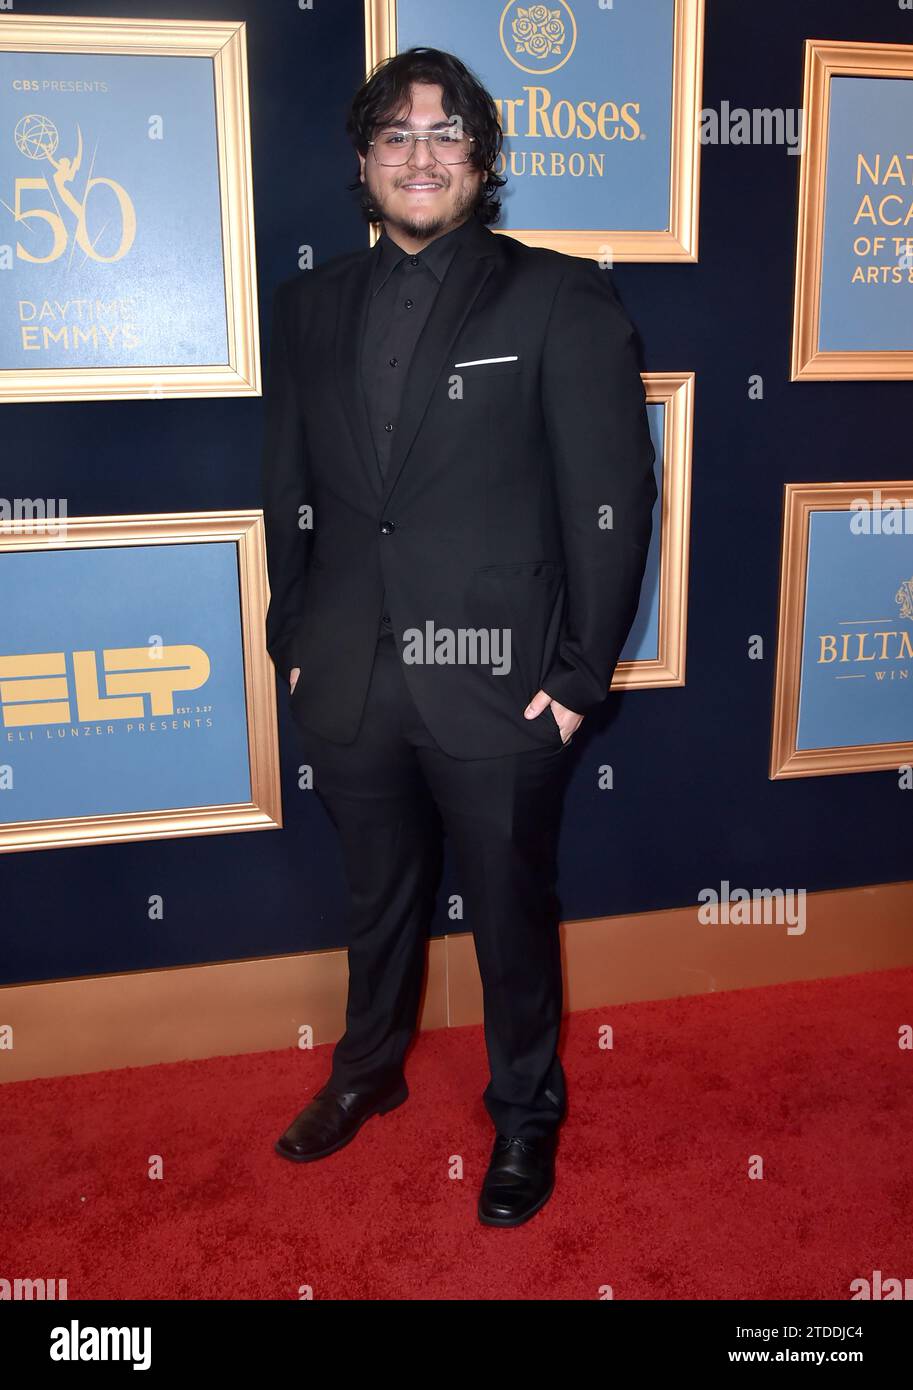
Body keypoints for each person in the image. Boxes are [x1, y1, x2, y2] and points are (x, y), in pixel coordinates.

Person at [261, 46, 656, 1227]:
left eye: (445, 135)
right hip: (350, 672)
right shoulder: (310, 303)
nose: (419, 155)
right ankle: (368, 1070)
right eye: (395, 135)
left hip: (498, 685)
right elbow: (289, 483)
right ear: (363, 162)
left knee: (509, 912)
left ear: (482, 160)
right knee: (376, 898)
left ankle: (525, 1112)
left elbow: (615, 497)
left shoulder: (556, 294)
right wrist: (293, 631)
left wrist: (582, 673)